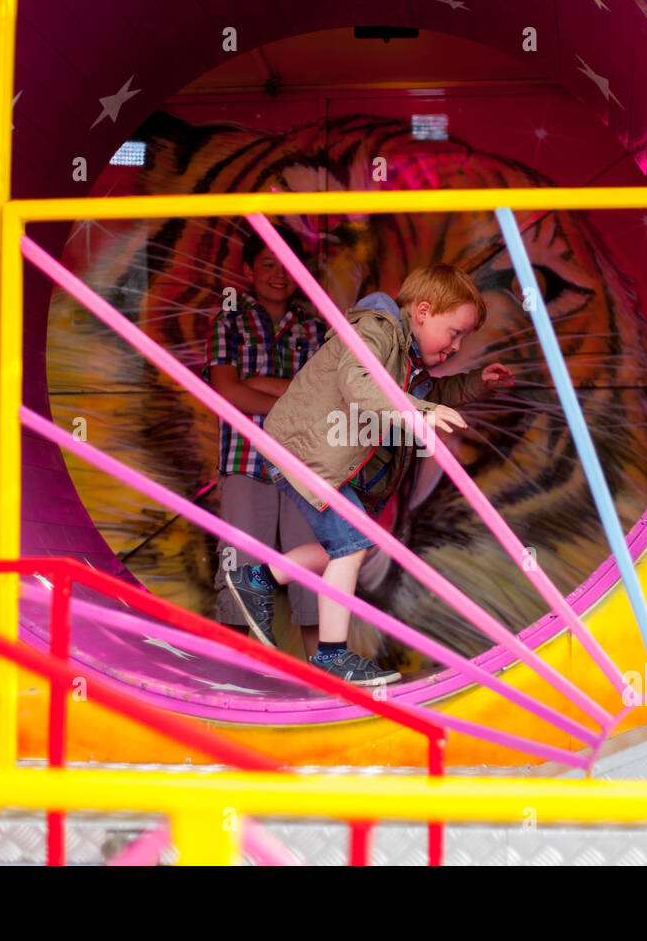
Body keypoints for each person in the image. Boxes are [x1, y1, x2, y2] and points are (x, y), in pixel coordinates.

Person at [223, 264, 515, 685]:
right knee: (352, 544)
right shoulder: (375, 329)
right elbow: (360, 386)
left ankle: (255, 578)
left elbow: (431, 393)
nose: (456, 345)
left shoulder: (407, 361)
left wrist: (477, 384)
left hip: (318, 457)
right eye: (454, 333)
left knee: (345, 546)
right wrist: (422, 412)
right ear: (423, 312)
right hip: (305, 449)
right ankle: (331, 656)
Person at [203, 225, 328, 657]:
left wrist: (256, 384)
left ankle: (325, 679)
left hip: (303, 468)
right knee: (239, 568)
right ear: (248, 271)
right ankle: (237, 679)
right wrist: (289, 397)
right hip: (245, 463)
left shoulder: (314, 330)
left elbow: (322, 398)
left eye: (287, 265)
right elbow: (226, 393)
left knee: (314, 572)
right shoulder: (229, 321)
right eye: (268, 264)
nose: (279, 274)